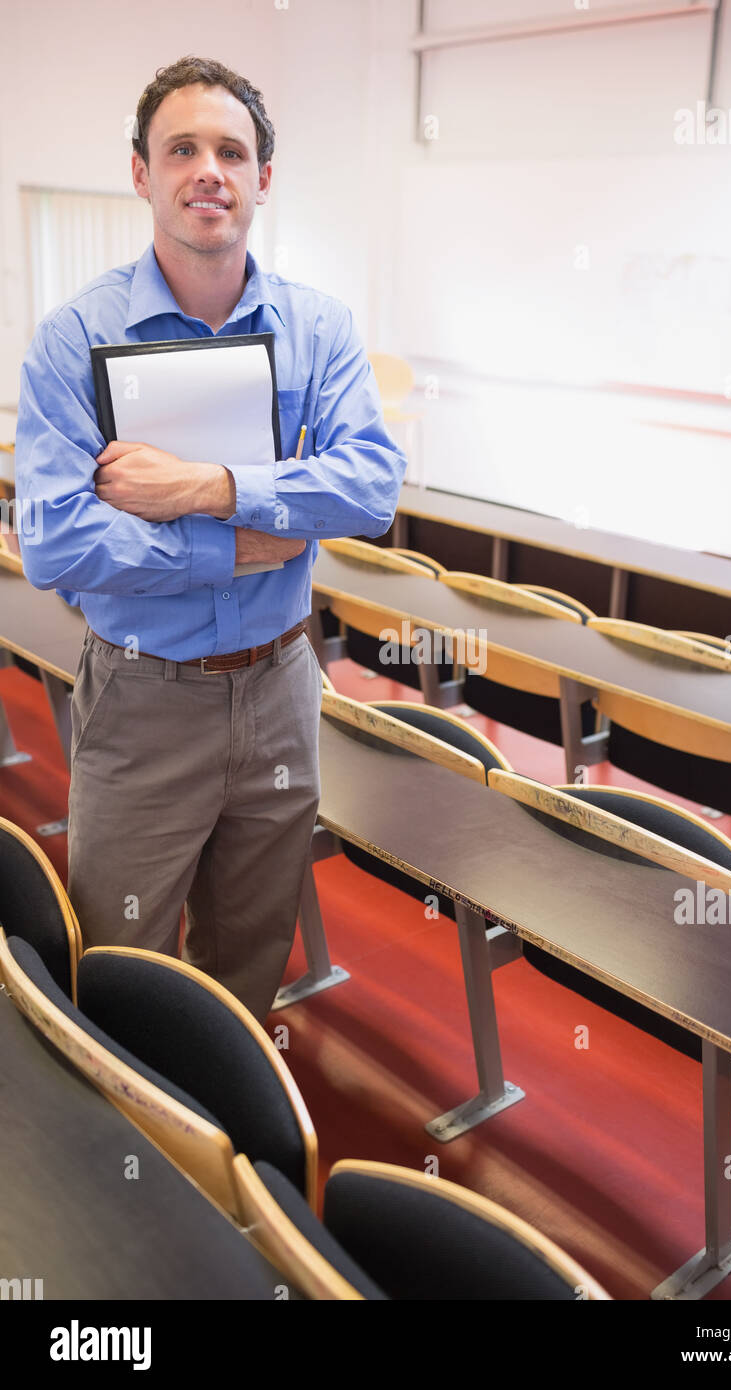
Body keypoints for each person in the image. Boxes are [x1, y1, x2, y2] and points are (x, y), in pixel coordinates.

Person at [14, 56, 406, 1024]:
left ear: (262, 178)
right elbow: (56, 539)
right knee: (121, 962)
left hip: (281, 688)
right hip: (143, 694)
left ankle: (222, 1133)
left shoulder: (318, 330)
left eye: (231, 152)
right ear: (142, 173)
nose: (208, 171)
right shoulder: (75, 339)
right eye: (180, 148)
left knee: (248, 954)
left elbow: (370, 484)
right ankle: (128, 1157)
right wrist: (229, 546)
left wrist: (211, 486)